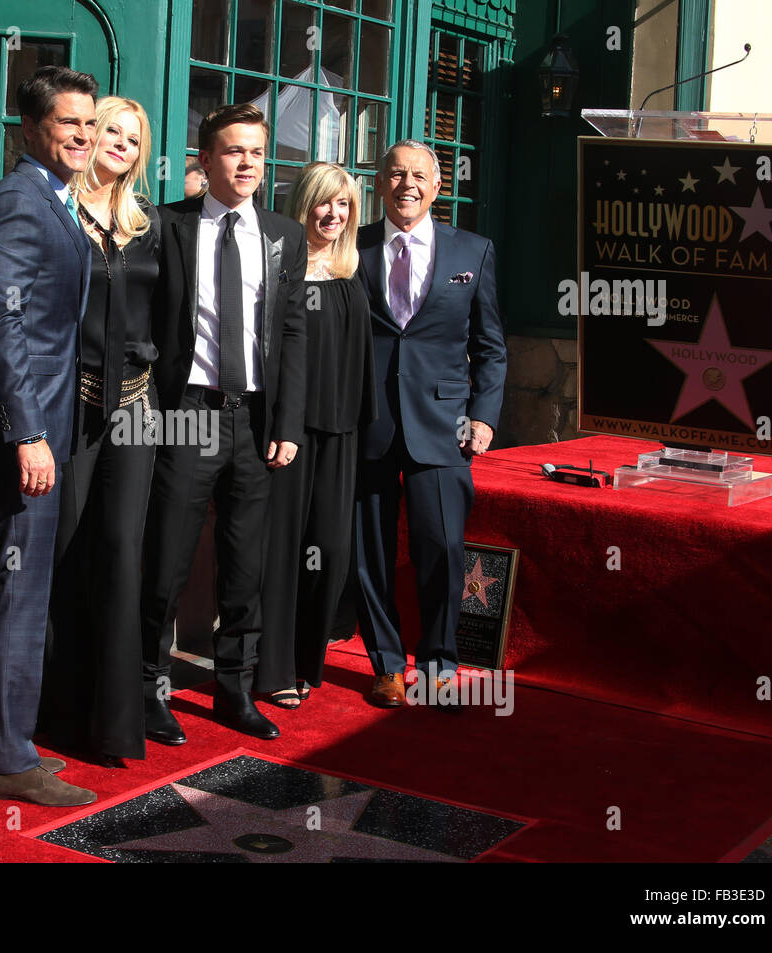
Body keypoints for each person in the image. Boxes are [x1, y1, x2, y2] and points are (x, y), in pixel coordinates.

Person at [0, 66, 100, 806]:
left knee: (5, 587)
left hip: (40, 429)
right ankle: (9, 757)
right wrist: (29, 432)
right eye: (68, 123)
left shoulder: (57, 200)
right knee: (18, 589)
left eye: (90, 122)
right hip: (26, 436)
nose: (84, 135)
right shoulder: (19, 200)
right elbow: (1, 323)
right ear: (31, 128)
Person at [141, 102, 307, 744]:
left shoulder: (284, 236)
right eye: (233, 151)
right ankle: (150, 687)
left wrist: (287, 423)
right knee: (166, 562)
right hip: (187, 414)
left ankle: (235, 689)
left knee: (246, 567)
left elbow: (292, 335)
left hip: (256, 420)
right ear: (205, 160)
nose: (246, 163)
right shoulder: (165, 226)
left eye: (256, 153)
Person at [354, 139, 506, 708]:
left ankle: (440, 660)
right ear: (379, 183)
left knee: (442, 546)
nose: (406, 184)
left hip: (445, 424)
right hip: (365, 421)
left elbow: (491, 346)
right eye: (395, 174)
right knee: (368, 551)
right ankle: (387, 665)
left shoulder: (474, 251)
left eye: (418, 175)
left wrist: (485, 417)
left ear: (438, 186)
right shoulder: (355, 245)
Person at [42, 97, 161, 767]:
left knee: (120, 555)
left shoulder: (151, 226)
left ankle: (114, 725)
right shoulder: (58, 216)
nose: (118, 143)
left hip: (138, 408)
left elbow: (170, 326)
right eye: (108, 130)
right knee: (61, 553)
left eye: (131, 137)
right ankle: (54, 711)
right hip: (68, 404)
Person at [254, 162, 374, 709]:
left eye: (344, 205)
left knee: (330, 550)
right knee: (281, 553)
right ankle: (273, 669)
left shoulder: (354, 269)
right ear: (304, 205)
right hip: (290, 432)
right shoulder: (280, 264)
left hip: (342, 432)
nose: (334, 214)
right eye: (324, 203)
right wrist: (281, 424)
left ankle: (308, 661)